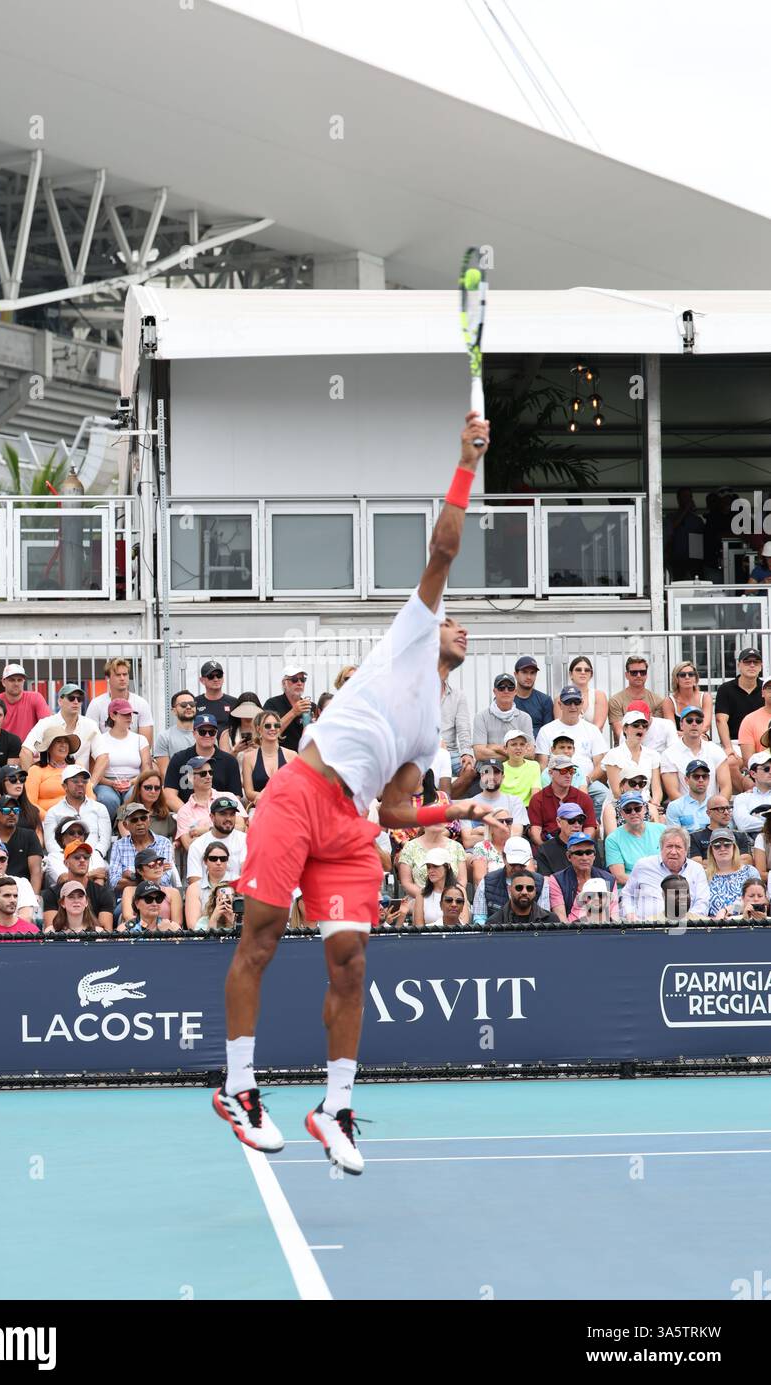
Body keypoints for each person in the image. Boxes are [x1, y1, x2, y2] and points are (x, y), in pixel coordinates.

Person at [217, 411, 494, 1172]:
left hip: (349, 827)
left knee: (351, 964)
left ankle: (334, 1105)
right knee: (262, 941)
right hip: (300, 793)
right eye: (456, 622)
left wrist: (458, 809)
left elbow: (399, 811)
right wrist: (465, 461)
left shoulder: (430, 727)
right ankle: (239, 1088)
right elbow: (444, 546)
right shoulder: (411, 631)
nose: (461, 628)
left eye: (466, 627)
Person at [536, 685, 607, 816]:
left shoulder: (592, 729)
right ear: (560, 704)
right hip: (555, 782)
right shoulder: (547, 730)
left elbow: (601, 763)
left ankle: (593, 828)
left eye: (577, 702)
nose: (573, 706)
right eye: (568, 702)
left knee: (604, 795)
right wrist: (555, 782)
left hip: (586, 780)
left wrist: (586, 780)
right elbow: (542, 763)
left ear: (582, 703)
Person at [621, 827, 710, 919]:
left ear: (686, 850)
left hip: (686, 927)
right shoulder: (643, 865)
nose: (673, 852)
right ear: (661, 848)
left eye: (678, 847)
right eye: (669, 846)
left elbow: (702, 902)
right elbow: (628, 894)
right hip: (646, 927)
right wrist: (630, 914)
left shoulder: (696, 869)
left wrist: (688, 921)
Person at [185, 797, 247, 920]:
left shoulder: (246, 840)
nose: (228, 818)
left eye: (232, 814)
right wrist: (215, 903)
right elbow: (195, 883)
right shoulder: (197, 845)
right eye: (223, 814)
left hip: (238, 899)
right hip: (207, 902)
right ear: (212, 817)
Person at [164, 715, 243, 808]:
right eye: (202, 732)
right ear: (194, 733)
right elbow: (169, 795)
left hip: (220, 816)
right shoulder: (179, 759)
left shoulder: (230, 761)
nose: (207, 735)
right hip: (186, 816)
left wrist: (215, 816)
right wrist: (189, 814)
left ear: (216, 733)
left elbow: (235, 797)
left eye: (212, 732)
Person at [90, 700, 151, 818]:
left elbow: (147, 769)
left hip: (135, 781)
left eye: (130, 714)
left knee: (132, 797)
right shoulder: (100, 740)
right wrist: (111, 783)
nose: (129, 717)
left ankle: (126, 829)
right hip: (106, 783)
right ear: (113, 715)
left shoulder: (140, 739)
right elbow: (94, 772)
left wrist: (132, 782)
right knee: (107, 799)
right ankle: (111, 830)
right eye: (124, 714)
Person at [715, 647, 764, 794]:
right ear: (739, 665)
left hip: (763, 742)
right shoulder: (726, 689)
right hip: (736, 742)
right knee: (729, 762)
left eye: (756, 662)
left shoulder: (766, 689)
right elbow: (720, 720)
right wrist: (728, 748)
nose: (752, 665)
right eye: (747, 662)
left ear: (761, 666)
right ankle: (749, 794)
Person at [20, 684, 100, 771]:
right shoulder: (46, 723)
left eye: (80, 699)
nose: (76, 701)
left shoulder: (91, 724)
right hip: (49, 780)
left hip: (80, 781)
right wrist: (32, 779)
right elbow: (25, 752)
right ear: (60, 701)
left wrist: (92, 783)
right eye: (71, 698)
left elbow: (103, 756)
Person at [471, 837, 551, 923]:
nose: (517, 868)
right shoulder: (487, 882)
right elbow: (479, 920)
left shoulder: (541, 883)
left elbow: (544, 918)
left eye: (521, 864)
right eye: (513, 864)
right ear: (504, 857)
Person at [41, 842, 114, 932]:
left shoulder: (103, 893)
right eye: (77, 857)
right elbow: (52, 929)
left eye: (86, 857)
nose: (82, 860)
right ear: (66, 863)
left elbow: (106, 931)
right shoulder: (51, 893)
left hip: (93, 943)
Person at [42, 765, 111, 859]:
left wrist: (94, 857)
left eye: (84, 781)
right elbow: (51, 844)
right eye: (75, 781)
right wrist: (67, 859)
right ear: (64, 786)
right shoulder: (53, 812)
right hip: (64, 861)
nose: (81, 784)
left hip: (94, 858)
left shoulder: (100, 808)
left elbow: (105, 840)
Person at [527, 755, 597, 847]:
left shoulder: (584, 798)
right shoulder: (538, 799)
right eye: (563, 771)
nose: (568, 775)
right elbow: (535, 830)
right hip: (548, 846)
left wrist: (579, 847)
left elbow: (589, 828)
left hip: (578, 847)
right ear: (550, 772)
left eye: (571, 771)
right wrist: (546, 850)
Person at [548, 834, 619, 922]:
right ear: (569, 856)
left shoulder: (609, 879)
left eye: (589, 852)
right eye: (579, 853)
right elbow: (561, 918)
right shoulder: (557, 880)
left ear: (594, 855)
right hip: (571, 931)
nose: (585, 858)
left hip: (602, 929)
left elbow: (614, 915)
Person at [85, 657, 154, 745]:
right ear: (107, 678)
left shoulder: (141, 704)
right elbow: (90, 739)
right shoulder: (96, 704)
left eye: (125, 674)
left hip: (134, 756)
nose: (122, 678)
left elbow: (146, 743)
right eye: (118, 675)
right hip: (105, 755)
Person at [0, 663, 50, 741]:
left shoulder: (36, 698)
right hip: (1, 750)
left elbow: (48, 725)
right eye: (12, 680)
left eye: (19, 680)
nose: (16, 683)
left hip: (29, 750)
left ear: (23, 682)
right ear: (3, 682)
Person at [109, 805, 175, 896]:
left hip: (161, 896)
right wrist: (151, 876)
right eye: (134, 820)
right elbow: (114, 882)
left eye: (143, 818)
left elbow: (165, 879)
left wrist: (132, 876)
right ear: (125, 825)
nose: (140, 823)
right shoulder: (118, 845)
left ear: (149, 820)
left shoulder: (164, 843)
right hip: (130, 897)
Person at [600, 709, 662, 803]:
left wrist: (654, 805)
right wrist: (639, 807)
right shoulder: (613, 755)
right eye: (636, 725)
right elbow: (617, 792)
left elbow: (657, 789)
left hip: (646, 805)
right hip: (619, 805)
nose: (641, 728)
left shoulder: (653, 755)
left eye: (644, 726)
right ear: (625, 729)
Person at [604, 792, 666, 886]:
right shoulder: (613, 839)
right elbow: (619, 876)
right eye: (628, 810)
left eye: (637, 808)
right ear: (622, 813)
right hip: (632, 888)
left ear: (644, 809)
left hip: (663, 883)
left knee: (679, 896)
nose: (633, 813)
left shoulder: (662, 830)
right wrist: (649, 885)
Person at [471, 673, 534, 764]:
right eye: (501, 687)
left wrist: (494, 747)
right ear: (494, 691)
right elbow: (479, 753)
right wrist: (515, 754)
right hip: (490, 766)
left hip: (518, 766)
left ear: (515, 691)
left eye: (510, 687)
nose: (506, 691)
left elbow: (531, 753)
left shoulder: (525, 718)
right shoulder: (481, 717)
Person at [396, 822, 468, 901]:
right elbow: (406, 883)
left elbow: (462, 880)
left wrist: (448, 897)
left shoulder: (457, 847)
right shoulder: (410, 847)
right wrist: (428, 897)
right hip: (420, 898)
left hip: (452, 900)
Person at [241, 710, 298, 806]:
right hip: (260, 807)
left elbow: (297, 787)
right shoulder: (249, 758)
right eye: (267, 726)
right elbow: (249, 792)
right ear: (259, 729)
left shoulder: (292, 755)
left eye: (276, 725)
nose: (273, 728)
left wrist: (268, 794)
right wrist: (265, 796)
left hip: (287, 806)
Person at [661, 726, 730, 801]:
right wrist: (693, 809)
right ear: (681, 724)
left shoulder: (716, 749)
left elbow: (726, 787)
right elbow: (673, 792)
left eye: (698, 721)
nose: (694, 723)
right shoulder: (669, 753)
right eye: (689, 720)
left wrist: (716, 807)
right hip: (683, 810)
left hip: (713, 809)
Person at [24, 729, 81, 819]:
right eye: (58, 741)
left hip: (77, 822)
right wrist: (50, 819)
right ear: (48, 747)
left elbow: (90, 798)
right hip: (45, 821)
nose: (63, 745)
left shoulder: (77, 768)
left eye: (66, 742)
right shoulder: (35, 770)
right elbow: (30, 803)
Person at [704, 829, 760, 918]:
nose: (722, 848)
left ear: (734, 847)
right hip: (711, 927)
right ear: (711, 850)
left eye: (727, 844)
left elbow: (757, 901)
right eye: (717, 845)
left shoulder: (750, 872)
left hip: (745, 924)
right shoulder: (704, 876)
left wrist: (727, 910)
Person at [119, 846, 183, 924]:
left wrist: (159, 930)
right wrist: (149, 929)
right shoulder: (130, 890)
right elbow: (128, 917)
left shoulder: (173, 893)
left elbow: (177, 924)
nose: (157, 866)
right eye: (151, 864)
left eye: (160, 863)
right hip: (138, 933)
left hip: (166, 933)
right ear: (140, 871)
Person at [536, 803, 604, 876]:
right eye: (571, 820)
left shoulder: (591, 845)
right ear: (559, 821)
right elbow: (546, 881)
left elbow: (599, 875)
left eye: (580, 820)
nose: (577, 825)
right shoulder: (545, 850)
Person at [0, 764, 42, 839]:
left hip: (27, 850)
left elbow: (39, 841)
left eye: (22, 778)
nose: (18, 782)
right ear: (2, 783)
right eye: (13, 779)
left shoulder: (33, 810)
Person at [43, 815, 110, 888]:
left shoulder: (95, 854)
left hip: (94, 896)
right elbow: (64, 879)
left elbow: (101, 875)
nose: (76, 835)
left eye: (80, 832)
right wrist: (92, 874)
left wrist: (76, 876)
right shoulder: (54, 857)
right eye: (71, 833)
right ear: (62, 839)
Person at [608, 656, 665, 742]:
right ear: (626, 675)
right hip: (624, 749)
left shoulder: (658, 700)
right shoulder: (616, 701)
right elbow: (619, 732)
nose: (638, 675)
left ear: (646, 674)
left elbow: (657, 731)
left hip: (651, 748)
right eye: (634, 673)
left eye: (642, 672)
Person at [440, 650, 474, 789]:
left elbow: (463, 728)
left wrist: (466, 753)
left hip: (450, 753)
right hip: (424, 753)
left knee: (470, 769)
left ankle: (442, 801)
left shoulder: (458, 696)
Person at [262, 666, 312, 754]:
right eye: (294, 679)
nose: (299, 683)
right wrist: (293, 712)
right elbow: (266, 732)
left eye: (303, 680)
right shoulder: (272, 704)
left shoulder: (311, 706)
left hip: (305, 757)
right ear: (284, 683)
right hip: (279, 757)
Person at [689, 797, 753, 863]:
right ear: (709, 813)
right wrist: (732, 861)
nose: (726, 812)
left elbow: (747, 860)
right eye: (721, 809)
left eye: (728, 808)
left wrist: (709, 862)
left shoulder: (741, 835)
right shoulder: (695, 836)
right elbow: (696, 864)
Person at [485, 871, 559, 927]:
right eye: (519, 888)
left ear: (535, 891)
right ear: (509, 889)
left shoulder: (551, 920)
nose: (524, 892)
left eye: (529, 888)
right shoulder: (494, 923)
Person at [554, 656, 608, 730]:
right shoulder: (560, 698)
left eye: (587, 670)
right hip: (568, 739)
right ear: (570, 674)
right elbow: (560, 726)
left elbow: (598, 726)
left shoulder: (599, 696)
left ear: (591, 675)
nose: (583, 672)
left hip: (593, 739)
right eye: (578, 670)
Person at [659, 662, 713, 736]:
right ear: (676, 679)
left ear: (695, 679)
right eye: (682, 675)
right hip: (678, 741)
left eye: (691, 674)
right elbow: (671, 730)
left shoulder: (705, 697)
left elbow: (705, 726)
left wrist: (692, 736)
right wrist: (690, 736)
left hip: (700, 738)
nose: (687, 677)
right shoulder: (669, 701)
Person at [187, 840, 235, 923]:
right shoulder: (194, 888)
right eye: (213, 859)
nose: (219, 862)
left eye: (223, 859)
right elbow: (193, 926)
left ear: (227, 860)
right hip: (205, 934)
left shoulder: (239, 883)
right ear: (205, 861)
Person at [412, 848, 462, 925]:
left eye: (435, 866)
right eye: (428, 867)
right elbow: (419, 928)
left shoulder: (460, 890)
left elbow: (463, 924)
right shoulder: (421, 894)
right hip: (429, 937)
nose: (430, 871)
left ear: (447, 866)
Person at [665, 486, 705, 582]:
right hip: (677, 559)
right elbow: (671, 528)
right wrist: (686, 510)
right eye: (684, 496)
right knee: (677, 584)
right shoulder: (671, 516)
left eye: (689, 496)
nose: (687, 499)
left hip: (695, 561)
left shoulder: (697, 520)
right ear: (678, 499)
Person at [155, 690, 197, 775]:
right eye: (183, 705)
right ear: (173, 711)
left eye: (192, 704)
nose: (188, 707)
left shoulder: (208, 733)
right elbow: (165, 774)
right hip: (177, 786)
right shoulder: (164, 737)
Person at [126, 768, 176, 840]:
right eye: (148, 787)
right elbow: (128, 841)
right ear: (139, 789)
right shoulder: (125, 812)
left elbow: (177, 838)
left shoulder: (165, 814)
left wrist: (176, 843)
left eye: (157, 788)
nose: (153, 791)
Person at [468, 808, 514, 885]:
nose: (505, 824)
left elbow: (530, 876)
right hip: (491, 892)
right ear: (490, 827)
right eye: (500, 822)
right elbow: (480, 880)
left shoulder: (519, 845)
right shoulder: (481, 848)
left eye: (508, 821)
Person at [665, 761, 714, 833]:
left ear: (709, 779)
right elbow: (674, 837)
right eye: (696, 776)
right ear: (686, 780)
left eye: (704, 776)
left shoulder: (717, 804)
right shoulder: (675, 806)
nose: (701, 780)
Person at [512, 656, 554, 739]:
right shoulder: (506, 699)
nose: (529, 677)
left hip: (537, 748)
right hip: (510, 747)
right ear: (516, 674)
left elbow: (548, 732)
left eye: (532, 673)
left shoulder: (545, 700)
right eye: (524, 672)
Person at [732, 752, 771, 837]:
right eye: (766, 769)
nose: (770, 772)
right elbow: (743, 824)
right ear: (753, 774)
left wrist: (758, 817)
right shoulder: (742, 797)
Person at [499, 729, 542, 806]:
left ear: (526, 747)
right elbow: (496, 795)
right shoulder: (499, 768)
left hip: (527, 810)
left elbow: (535, 794)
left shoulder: (534, 765)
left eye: (522, 744)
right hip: (505, 809)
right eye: (514, 744)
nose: (518, 748)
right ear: (505, 748)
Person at [195, 660, 238, 734]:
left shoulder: (234, 702)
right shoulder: (195, 703)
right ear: (202, 680)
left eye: (219, 675)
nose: (216, 679)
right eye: (211, 676)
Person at [736, 677, 771, 764]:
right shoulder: (749, 720)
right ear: (763, 693)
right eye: (769, 688)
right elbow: (749, 761)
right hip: (763, 772)